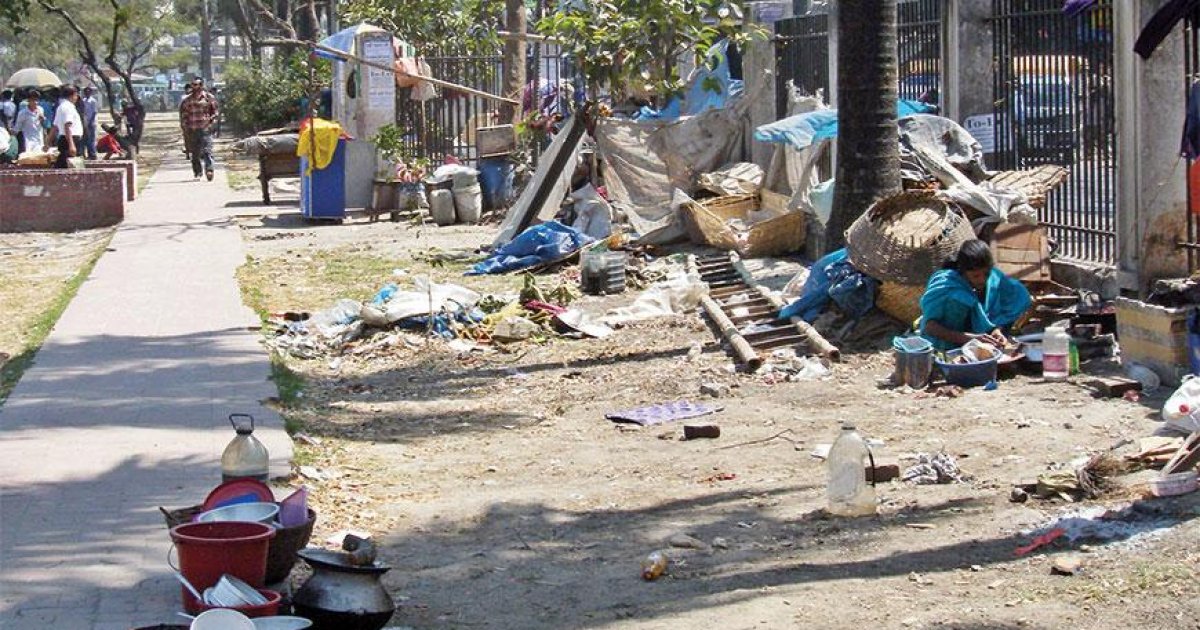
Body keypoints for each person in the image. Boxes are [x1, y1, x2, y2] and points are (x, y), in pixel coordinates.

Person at [919, 239, 1032, 351]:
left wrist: (996, 332)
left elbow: (989, 317)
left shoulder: (992, 281)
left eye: (986, 274)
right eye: (976, 276)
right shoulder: (946, 287)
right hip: (943, 345)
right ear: (962, 271)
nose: (982, 280)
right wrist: (970, 339)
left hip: (979, 341)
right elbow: (930, 327)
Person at [179, 76, 218, 181]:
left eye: (196, 85)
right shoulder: (187, 100)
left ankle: (209, 170)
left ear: (201, 85)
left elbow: (214, 112)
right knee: (195, 154)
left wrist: (212, 123)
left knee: (207, 151)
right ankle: (198, 172)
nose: (194, 87)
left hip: (205, 129)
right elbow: (184, 115)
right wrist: (185, 127)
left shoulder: (209, 98)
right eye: (192, 85)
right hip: (192, 130)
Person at [48, 85, 82, 168]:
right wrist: (71, 145)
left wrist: (48, 142)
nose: (77, 98)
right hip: (70, 140)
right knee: (68, 166)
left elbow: (55, 127)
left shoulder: (61, 107)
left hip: (65, 139)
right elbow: (67, 126)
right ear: (72, 95)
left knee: (62, 165)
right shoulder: (68, 107)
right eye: (76, 95)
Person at [80, 85, 99, 159]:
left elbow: (94, 112)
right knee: (86, 139)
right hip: (85, 122)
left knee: (91, 139)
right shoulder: (83, 100)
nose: (87, 93)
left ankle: (93, 154)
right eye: (86, 92)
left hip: (91, 123)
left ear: (91, 93)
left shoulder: (93, 101)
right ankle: (86, 154)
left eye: (89, 92)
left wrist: (90, 122)